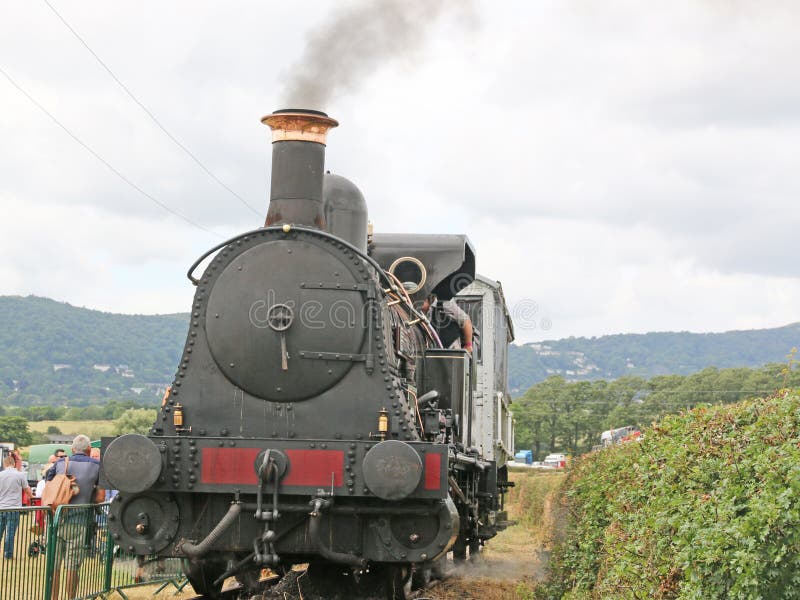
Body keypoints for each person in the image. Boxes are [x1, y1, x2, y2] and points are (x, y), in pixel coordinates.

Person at [50, 435, 100, 600]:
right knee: (72, 566)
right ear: (89, 450)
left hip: (57, 520)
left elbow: (49, 487)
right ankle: (71, 598)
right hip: (79, 521)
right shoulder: (97, 466)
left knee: (54, 565)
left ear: (72, 450)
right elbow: (100, 498)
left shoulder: (59, 463)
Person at [0, 454, 31, 559]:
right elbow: (27, 490)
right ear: (13, 464)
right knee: (10, 533)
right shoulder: (20, 475)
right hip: (14, 508)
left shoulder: (0, 475)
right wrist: (32, 497)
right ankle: (8, 555)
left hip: (1, 508)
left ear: (5, 464)